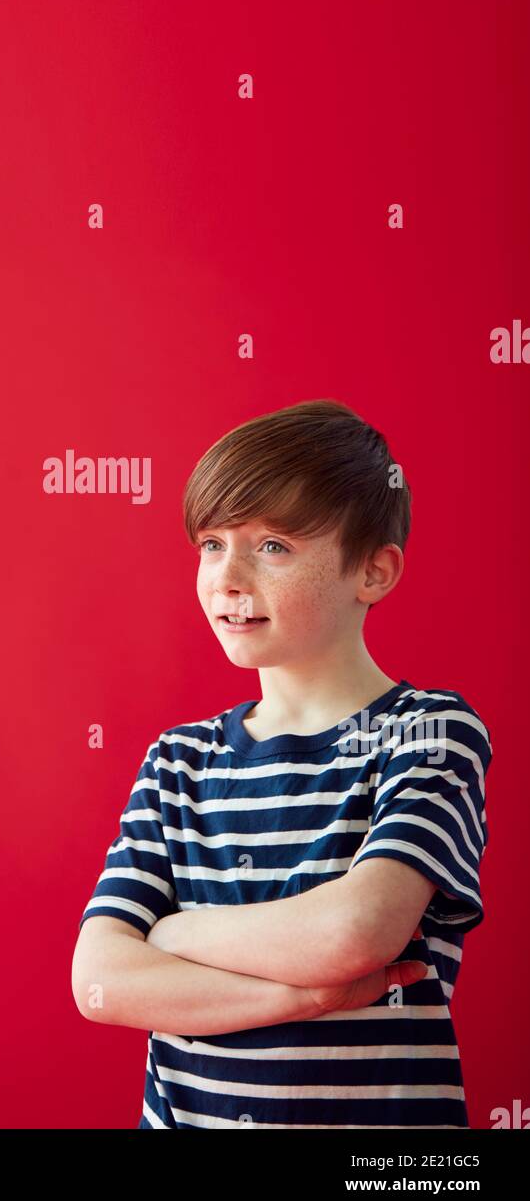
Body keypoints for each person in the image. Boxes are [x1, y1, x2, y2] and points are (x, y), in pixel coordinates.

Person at [71, 398, 493, 1128]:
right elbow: (102, 980)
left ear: (374, 572)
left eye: (273, 546)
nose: (227, 576)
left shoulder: (427, 732)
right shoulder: (179, 761)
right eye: (211, 543)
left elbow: (355, 933)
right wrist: (304, 996)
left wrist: (176, 933)